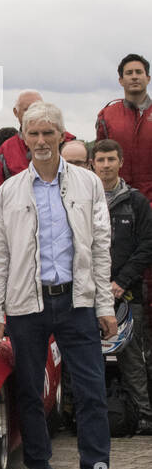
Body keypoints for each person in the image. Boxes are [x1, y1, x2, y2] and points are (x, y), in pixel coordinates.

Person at [0, 101, 136, 469]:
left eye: (49, 132)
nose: (41, 140)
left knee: (92, 392)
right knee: (31, 394)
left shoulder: (87, 186)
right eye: (33, 133)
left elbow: (101, 248)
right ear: (23, 139)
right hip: (25, 307)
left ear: (62, 136)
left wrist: (104, 305)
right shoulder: (9, 191)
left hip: (77, 302)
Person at [93, 138, 152, 434]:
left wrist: (121, 281)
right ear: (93, 163)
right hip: (88, 294)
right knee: (86, 356)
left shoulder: (136, 201)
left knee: (132, 357)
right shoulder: (84, 198)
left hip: (128, 294)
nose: (105, 165)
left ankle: (143, 417)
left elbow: (147, 245)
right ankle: (78, 415)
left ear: (121, 163)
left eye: (110, 159)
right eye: (100, 160)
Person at [96, 53, 152, 202]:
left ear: (148, 78)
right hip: (117, 201)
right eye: (129, 73)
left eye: (139, 72)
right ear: (121, 80)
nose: (134, 77)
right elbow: (99, 159)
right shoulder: (107, 115)